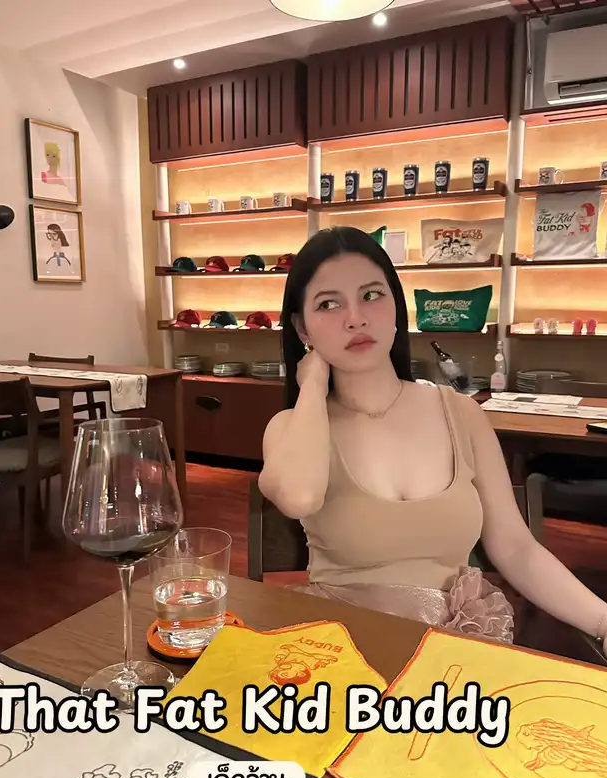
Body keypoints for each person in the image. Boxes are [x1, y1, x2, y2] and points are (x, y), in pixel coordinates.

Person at [259, 225, 607, 653]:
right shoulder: (290, 428)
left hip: (451, 651)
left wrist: (602, 620)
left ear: (396, 306)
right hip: (340, 650)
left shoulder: (461, 413)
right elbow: (300, 497)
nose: (355, 318)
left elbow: (516, 548)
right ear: (302, 327)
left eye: (371, 295)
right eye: (329, 304)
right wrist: (312, 385)